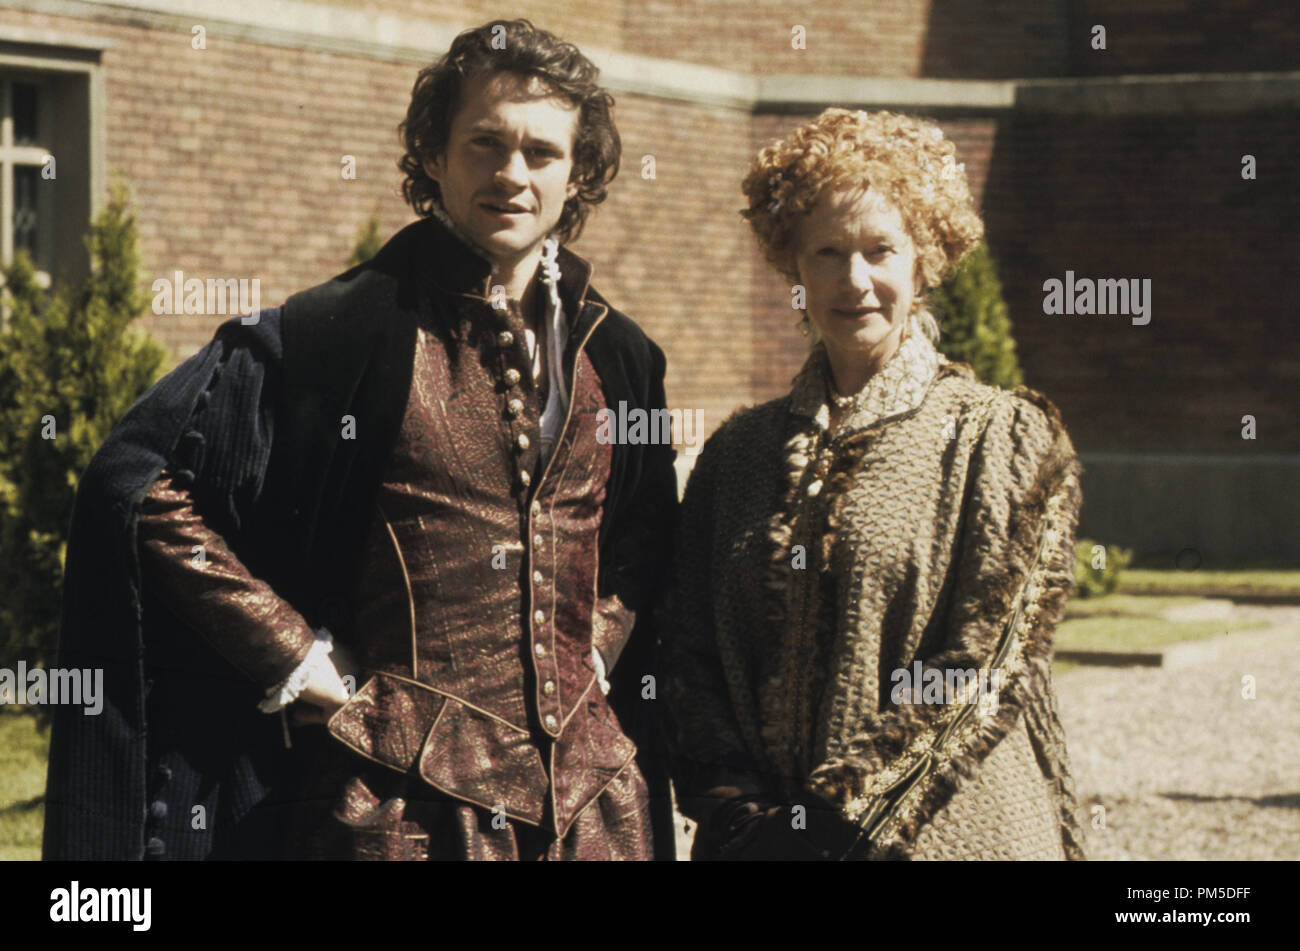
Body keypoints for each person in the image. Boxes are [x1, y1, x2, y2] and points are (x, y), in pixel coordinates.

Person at [43, 19, 677, 861]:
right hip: (398, 812)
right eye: (483, 143)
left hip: (595, 818)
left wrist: (589, 647)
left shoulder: (620, 354)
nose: (511, 175)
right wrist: (290, 652)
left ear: (579, 171)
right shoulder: (341, 330)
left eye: (541, 152)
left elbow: (642, 537)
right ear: (435, 156)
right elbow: (140, 478)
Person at [664, 108, 1086, 860]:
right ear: (792, 265)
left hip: (950, 838)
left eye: (879, 250)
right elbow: (689, 647)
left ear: (924, 260)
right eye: (826, 252)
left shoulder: (1002, 439)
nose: (853, 280)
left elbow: (989, 662)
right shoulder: (737, 454)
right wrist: (735, 810)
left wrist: (841, 823)